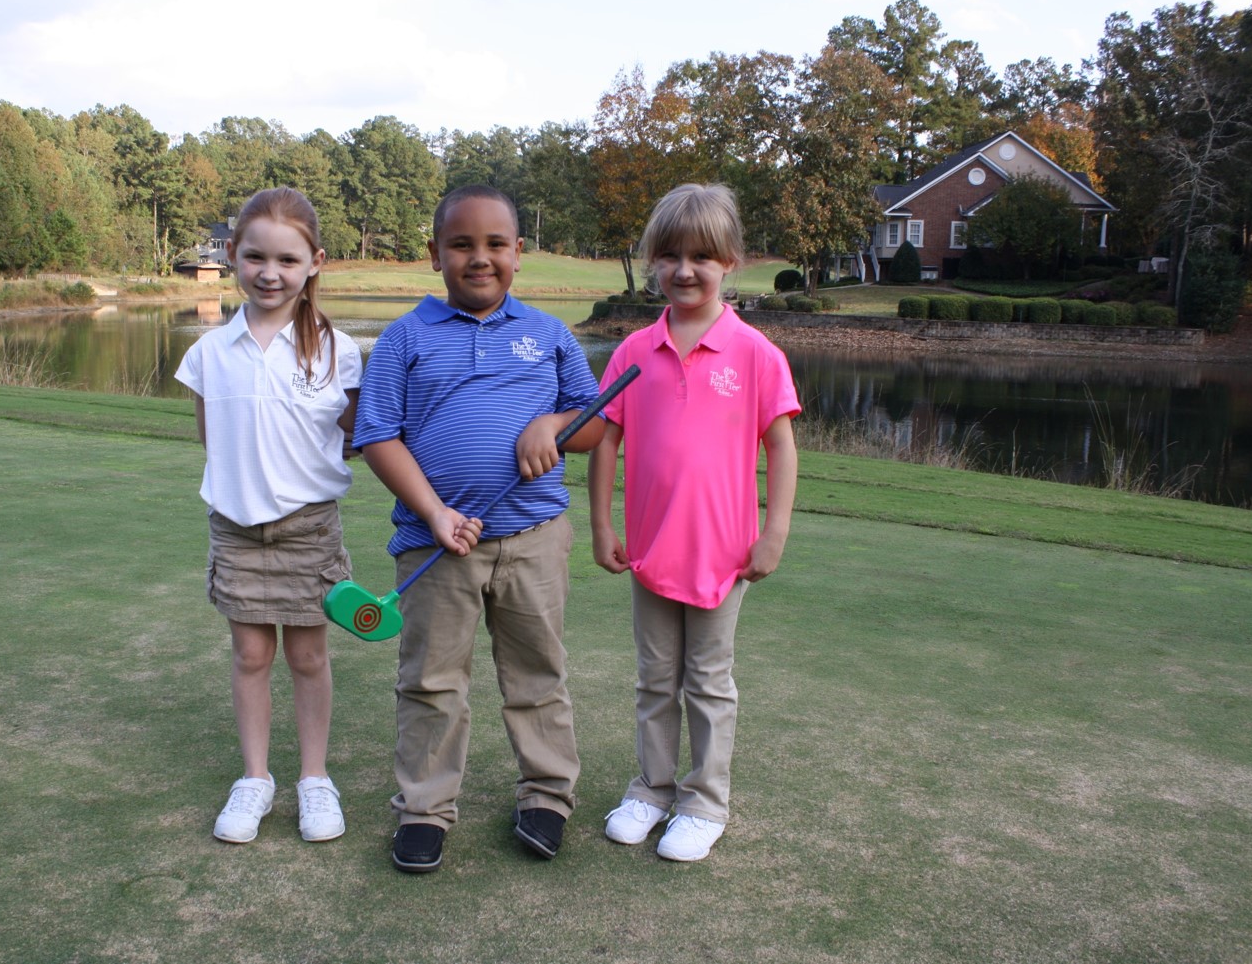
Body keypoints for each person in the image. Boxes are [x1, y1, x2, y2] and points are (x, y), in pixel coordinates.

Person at [354, 184, 606, 873]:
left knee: (537, 673)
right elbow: (378, 435)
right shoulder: (405, 337)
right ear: (435, 253)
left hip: (533, 539)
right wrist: (434, 513)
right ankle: (425, 808)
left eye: (496, 244)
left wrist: (552, 424)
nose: (479, 257)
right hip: (437, 544)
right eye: (461, 244)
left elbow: (596, 420)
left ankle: (548, 795)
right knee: (432, 681)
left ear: (519, 254)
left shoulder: (549, 335)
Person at [589, 183, 800, 862]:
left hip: (725, 552)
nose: (685, 269)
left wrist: (774, 532)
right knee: (655, 679)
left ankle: (704, 801)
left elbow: (781, 446)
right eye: (672, 255)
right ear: (654, 260)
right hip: (650, 549)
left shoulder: (756, 353)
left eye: (702, 256)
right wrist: (601, 525)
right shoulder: (632, 352)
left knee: (708, 682)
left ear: (731, 260)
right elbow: (604, 441)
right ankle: (650, 790)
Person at [175, 187, 362, 845]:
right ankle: (255, 777)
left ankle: (315, 778)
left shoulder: (339, 350)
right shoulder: (208, 352)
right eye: (254, 256)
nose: (270, 271)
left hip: (309, 526)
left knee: (308, 655)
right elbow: (210, 436)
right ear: (232, 256)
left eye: (287, 258)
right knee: (251, 654)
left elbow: (358, 435)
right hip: (237, 527)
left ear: (315, 262)